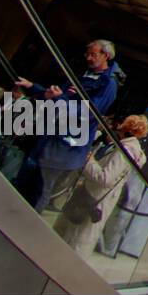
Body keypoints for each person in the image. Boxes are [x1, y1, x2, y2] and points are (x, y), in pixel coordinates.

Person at [16, 39, 121, 212]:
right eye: (87, 54)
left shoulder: (108, 83)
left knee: (41, 189)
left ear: (106, 56)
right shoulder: (82, 75)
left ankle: (24, 226)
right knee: (26, 181)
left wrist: (58, 98)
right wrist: (33, 87)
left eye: (93, 54)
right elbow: (57, 95)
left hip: (65, 145)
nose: (88, 57)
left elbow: (88, 112)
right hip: (49, 136)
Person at [54, 115, 148, 259]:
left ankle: (64, 265)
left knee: (79, 237)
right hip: (98, 199)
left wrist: (89, 161)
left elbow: (105, 178)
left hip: (94, 197)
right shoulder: (131, 150)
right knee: (81, 235)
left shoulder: (125, 151)